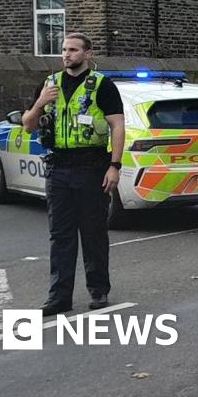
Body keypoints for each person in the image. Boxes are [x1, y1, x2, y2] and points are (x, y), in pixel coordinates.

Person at [22, 32, 125, 316]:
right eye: (64, 50)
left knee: (93, 233)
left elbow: (117, 126)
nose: (67, 55)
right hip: (58, 168)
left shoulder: (102, 85)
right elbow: (28, 125)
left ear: (88, 54)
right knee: (60, 235)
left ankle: (98, 290)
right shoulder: (49, 84)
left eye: (74, 50)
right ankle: (59, 297)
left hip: (91, 166)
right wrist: (40, 101)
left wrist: (114, 166)